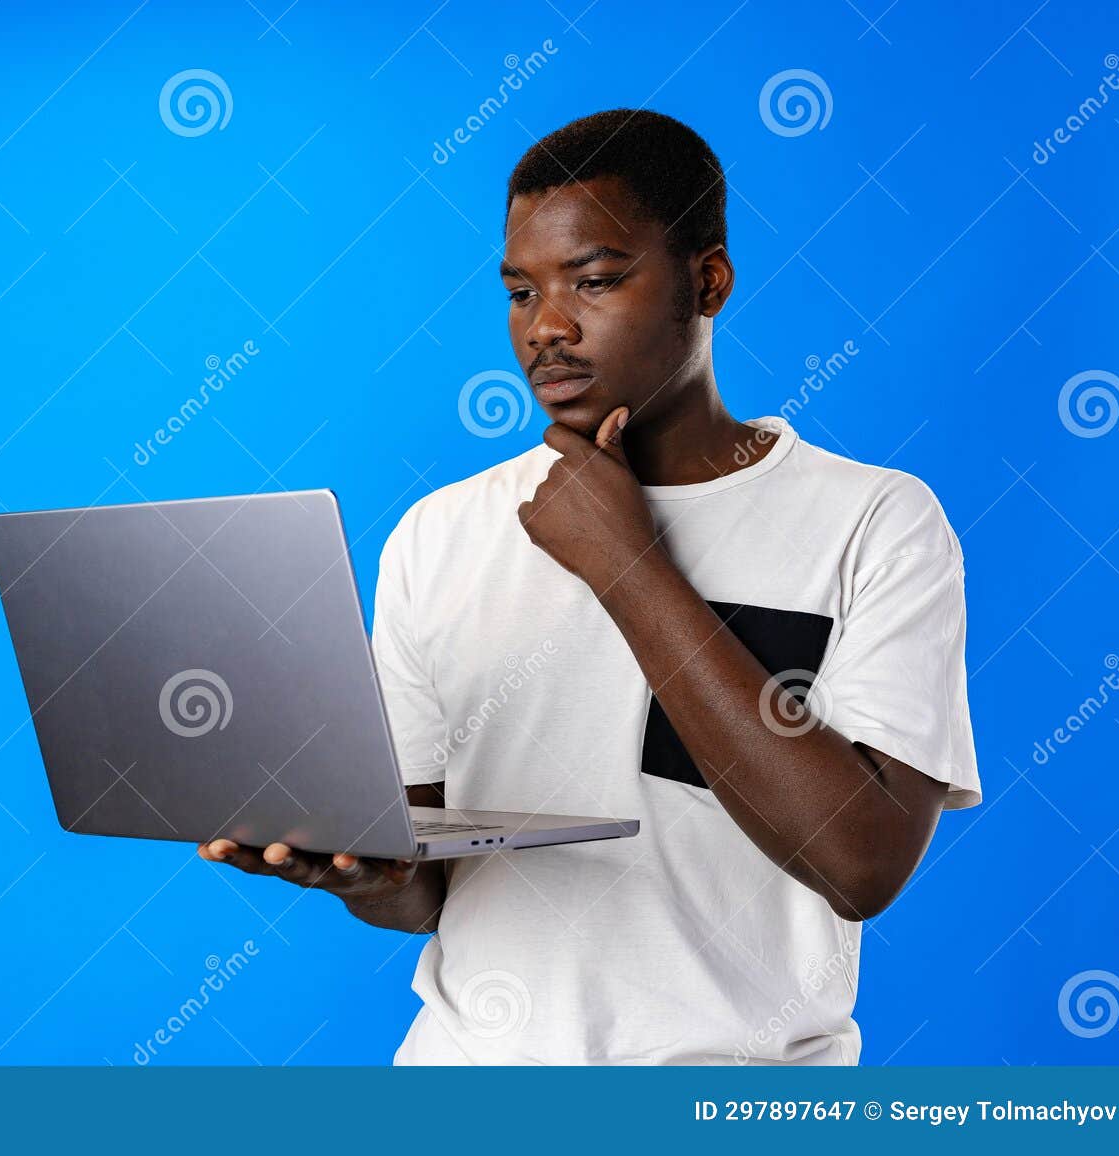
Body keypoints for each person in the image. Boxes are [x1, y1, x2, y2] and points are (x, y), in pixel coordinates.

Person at [199, 108, 980, 1064]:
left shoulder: (875, 523)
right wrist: (356, 875)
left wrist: (628, 565)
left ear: (709, 280)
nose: (548, 327)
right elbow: (425, 890)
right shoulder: (439, 533)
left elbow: (861, 863)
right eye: (521, 292)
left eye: (597, 280)